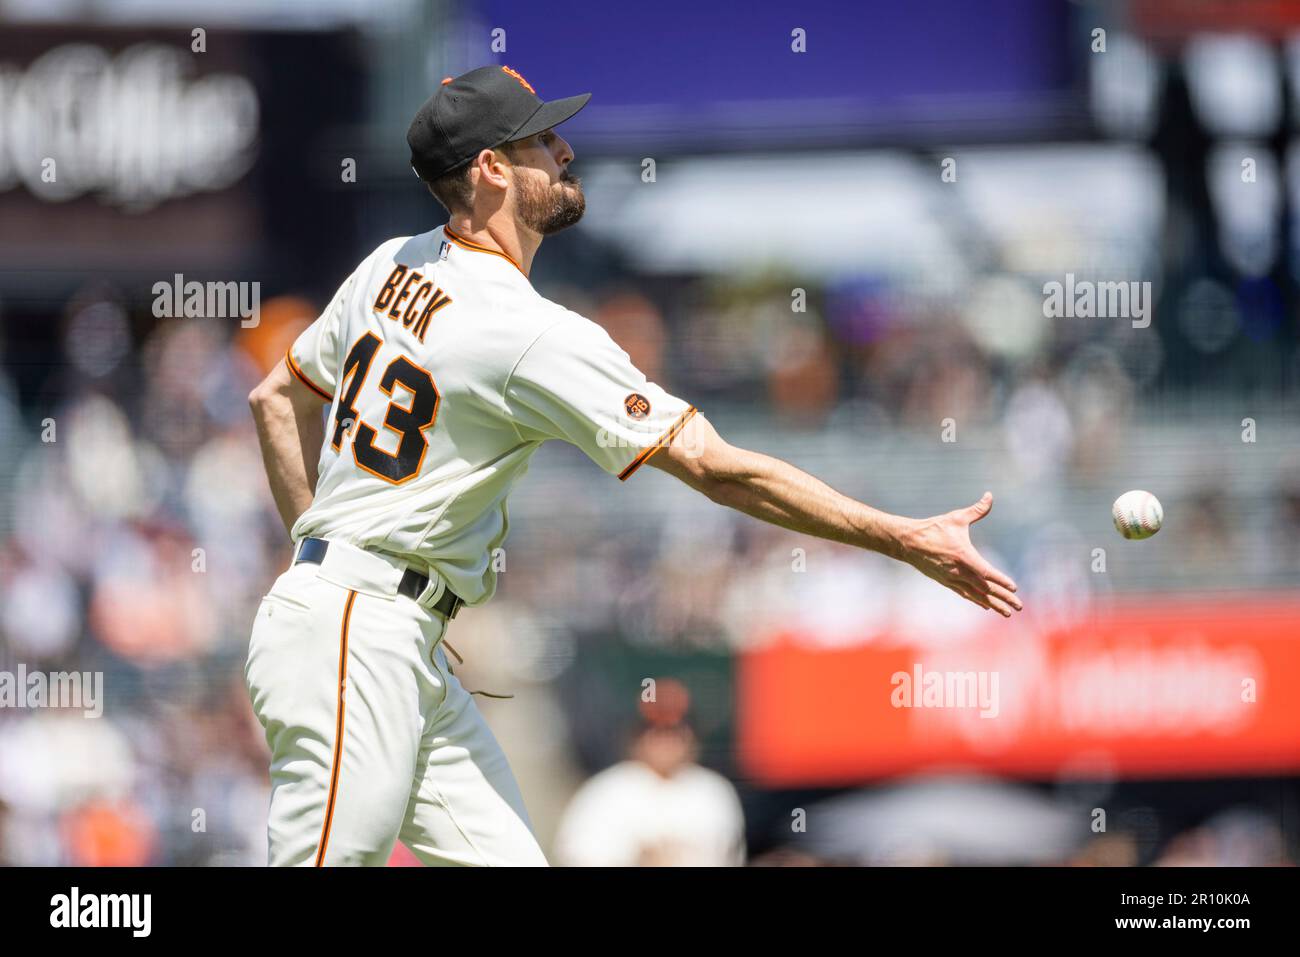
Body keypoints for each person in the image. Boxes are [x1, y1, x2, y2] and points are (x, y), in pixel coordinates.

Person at [244, 64, 1022, 867]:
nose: (565, 148)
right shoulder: (529, 331)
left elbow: (276, 399)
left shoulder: (389, 262)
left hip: (377, 625)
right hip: (357, 627)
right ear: (492, 169)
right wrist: (902, 536)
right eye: (542, 139)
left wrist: (319, 553)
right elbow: (715, 468)